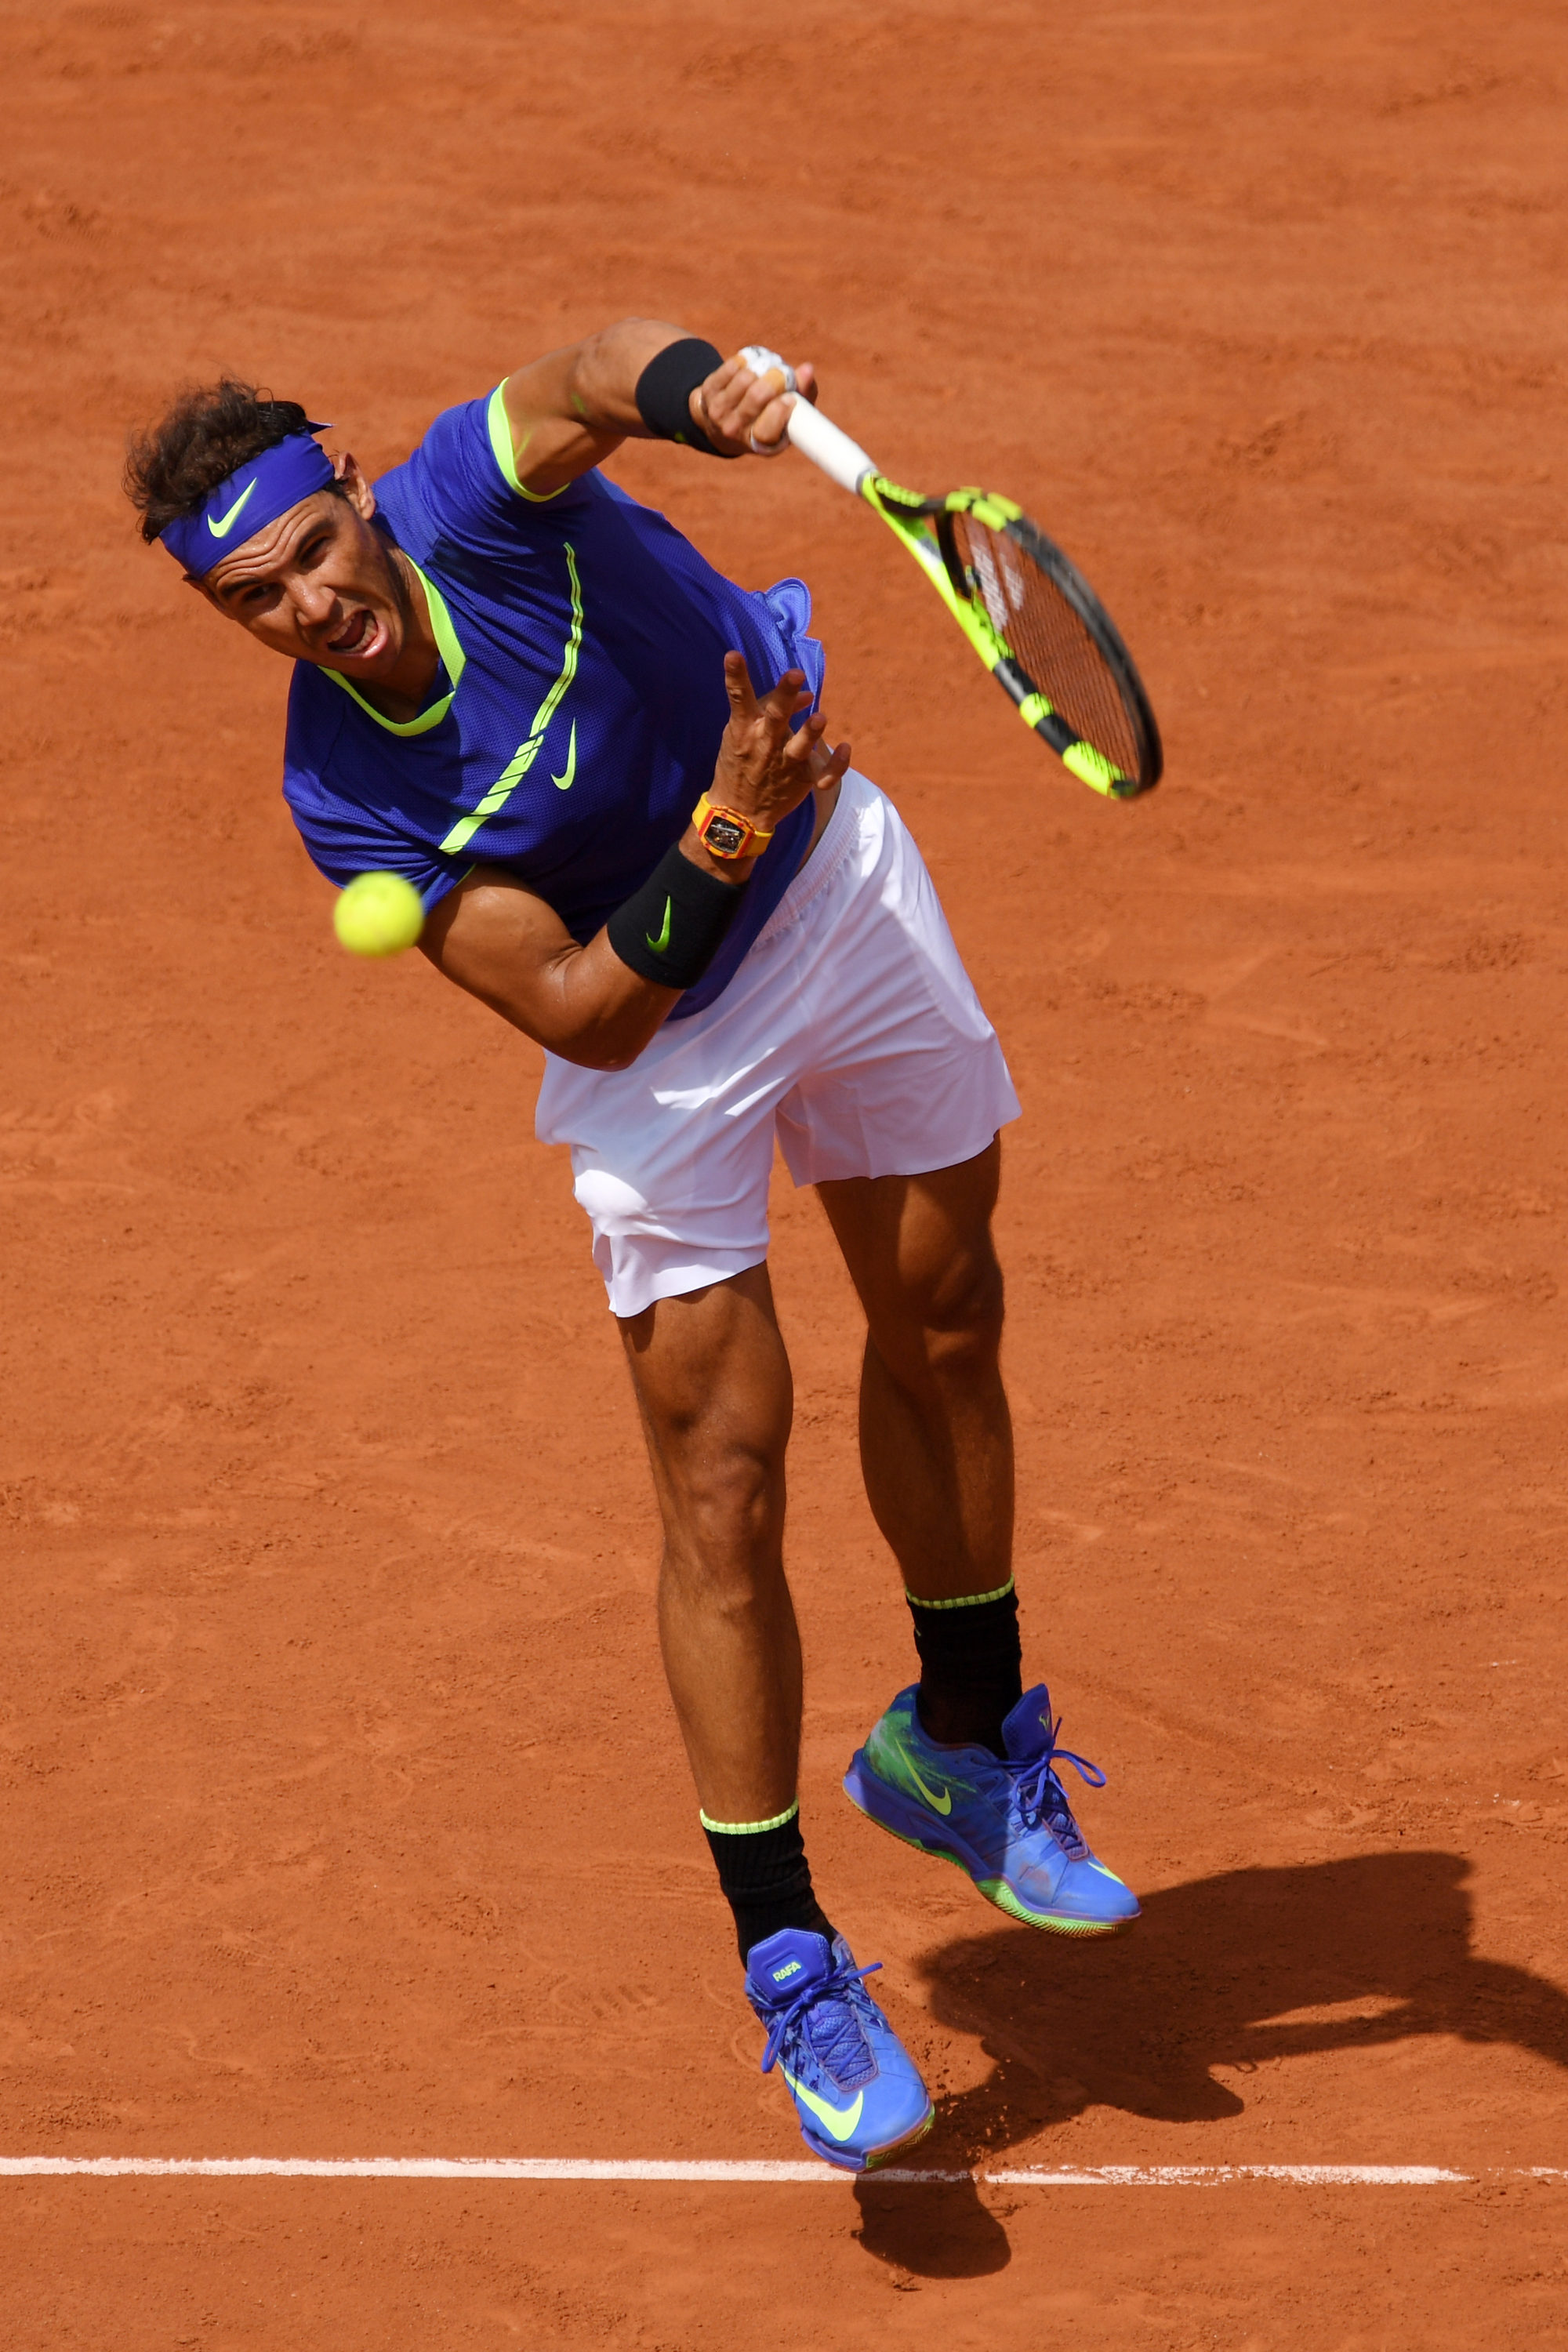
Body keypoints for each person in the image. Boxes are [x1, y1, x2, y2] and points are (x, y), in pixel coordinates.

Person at [124, 321, 1140, 2174]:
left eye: (313, 555)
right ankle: (788, 1960)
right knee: (719, 1478)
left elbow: (587, 380)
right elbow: (590, 1012)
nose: (308, 610)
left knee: (946, 1315)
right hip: (669, 1040)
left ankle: (962, 1740)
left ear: (354, 492)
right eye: (256, 603)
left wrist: (702, 394)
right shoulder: (344, 797)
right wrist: (725, 820)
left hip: (840, 895)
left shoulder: (471, 501)